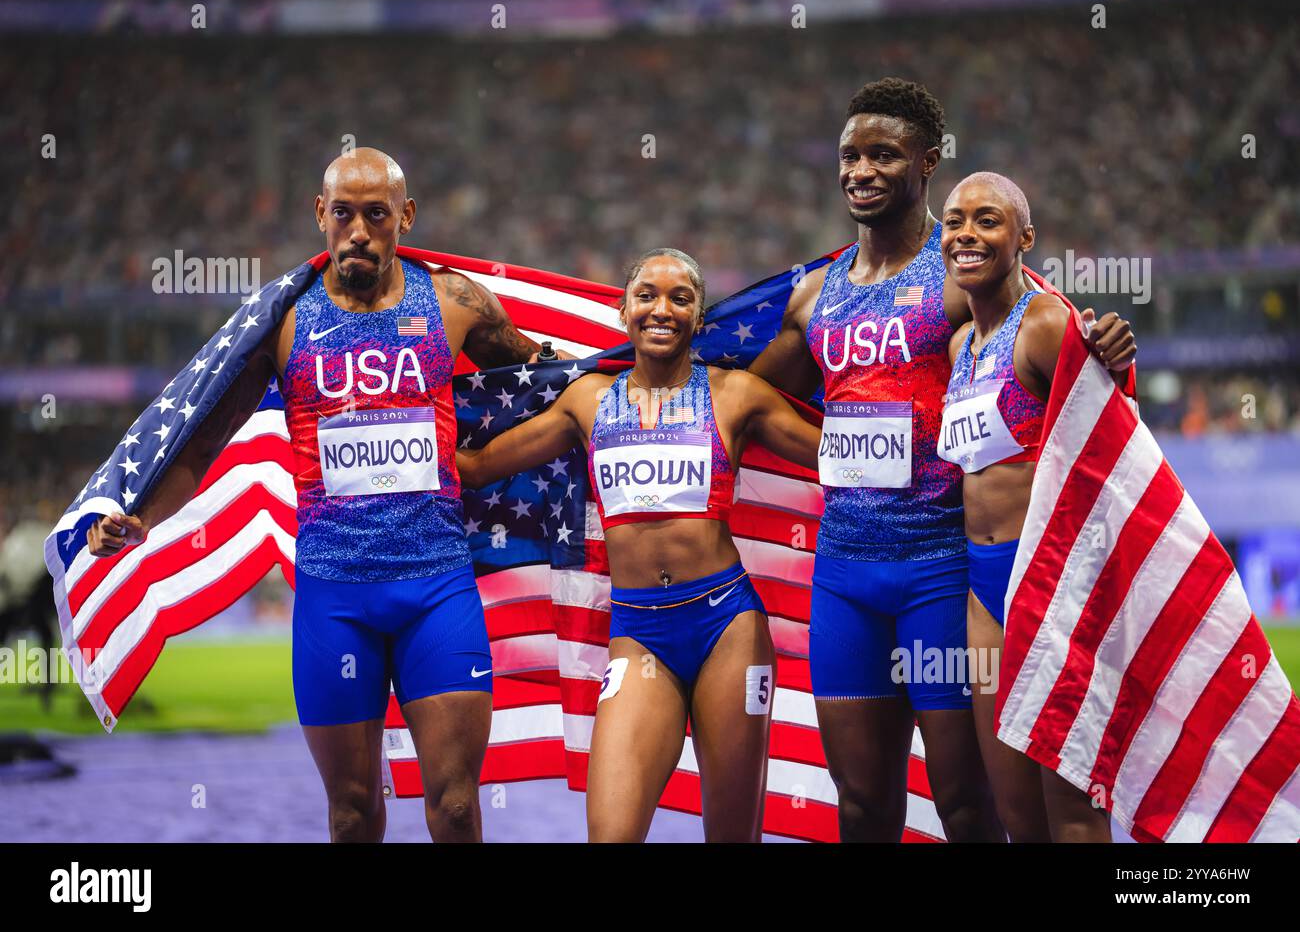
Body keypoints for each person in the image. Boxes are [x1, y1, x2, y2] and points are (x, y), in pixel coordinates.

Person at [86, 148, 547, 842]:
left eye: (376, 215)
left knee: (454, 808)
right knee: (352, 814)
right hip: (336, 596)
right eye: (343, 214)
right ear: (319, 215)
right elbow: (206, 441)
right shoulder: (285, 321)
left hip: (438, 589)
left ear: (405, 218)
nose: (358, 231)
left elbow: (538, 383)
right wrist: (141, 516)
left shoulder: (455, 302)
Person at [749, 78, 1135, 841]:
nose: (860, 170)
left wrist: (1115, 356)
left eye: (882, 155)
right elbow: (744, 401)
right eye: (849, 155)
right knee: (859, 804)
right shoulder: (815, 296)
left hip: (944, 572)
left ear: (926, 163)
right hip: (845, 577)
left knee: (969, 802)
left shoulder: (962, 270)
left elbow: (1055, 339)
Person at [457, 248, 822, 841]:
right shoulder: (589, 400)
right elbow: (474, 468)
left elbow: (839, 455)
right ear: (623, 309)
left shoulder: (736, 395)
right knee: (611, 832)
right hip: (638, 633)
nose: (662, 309)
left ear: (700, 319)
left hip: (727, 627)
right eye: (647, 294)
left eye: (682, 298)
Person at [938, 171, 1130, 842]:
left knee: (1072, 809)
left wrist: (1118, 364)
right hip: (983, 592)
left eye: (987, 221)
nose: (966, 234)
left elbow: (1115, 435)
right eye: (955, 221)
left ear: (1025, 238)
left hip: (1052, 587)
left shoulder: (1046, 323)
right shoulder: (961, 347)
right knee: (1018, 812)